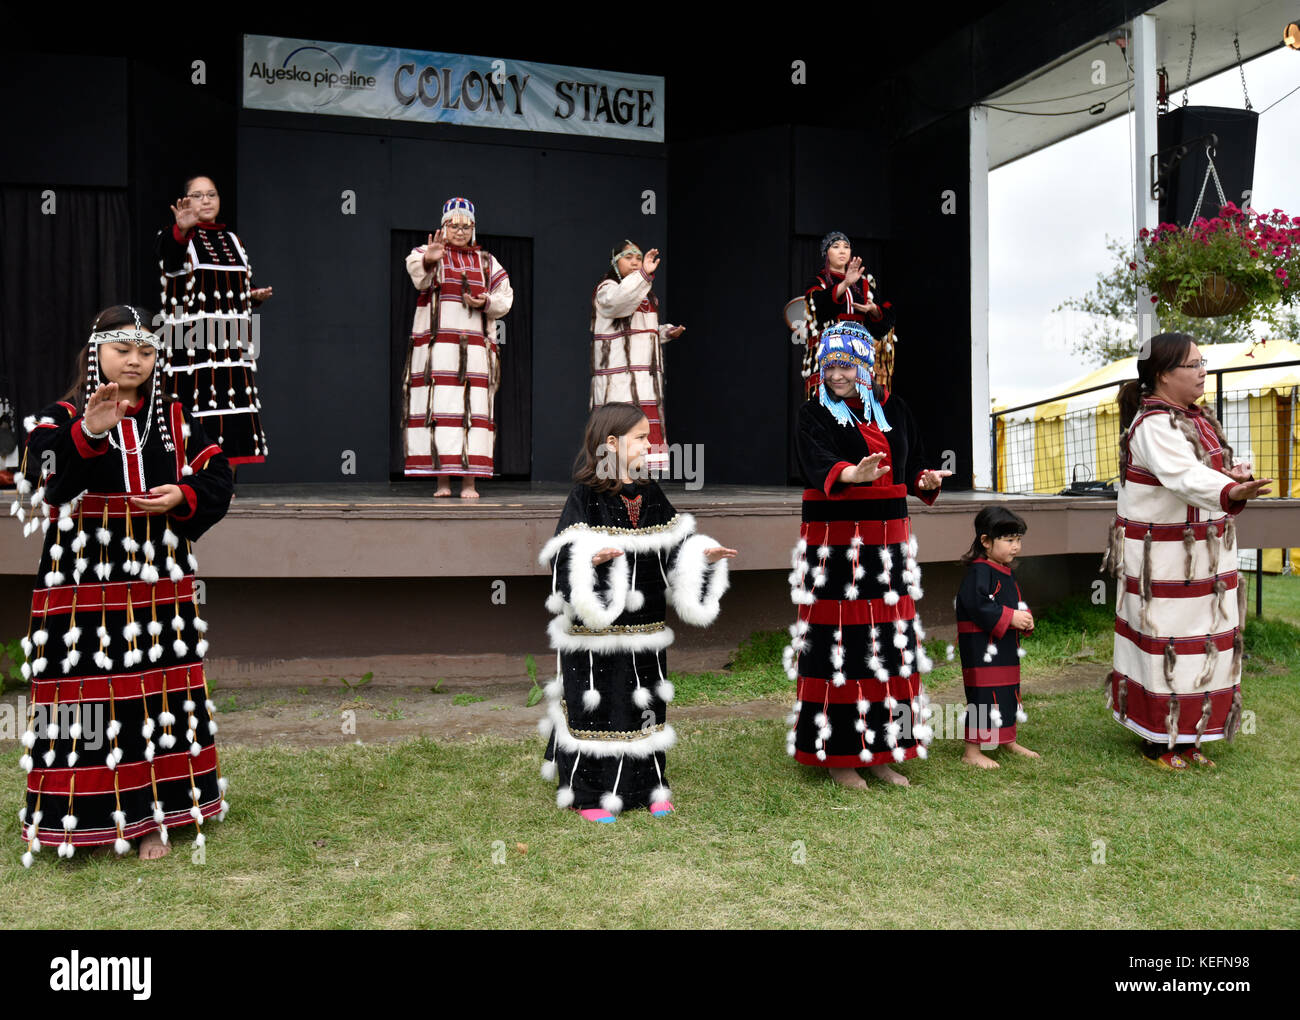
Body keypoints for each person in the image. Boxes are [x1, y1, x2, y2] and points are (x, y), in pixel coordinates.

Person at [12, 305, 233, 865]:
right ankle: (81, 815)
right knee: (83, 689)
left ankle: (152, 817)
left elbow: (217, 474)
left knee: (152, 690)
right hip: (82, 575)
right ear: (96, 353)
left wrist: (184, 495)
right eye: (122, 350)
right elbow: (43, 482)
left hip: (157, 574)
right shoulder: (57, 416)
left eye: (146, 351)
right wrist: (89, 432)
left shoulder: (173, 417)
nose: (135, 361)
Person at [537, 402, 736, 821]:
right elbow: (563, 553)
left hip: (645, 630)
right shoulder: (585, 496)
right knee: (598, 706)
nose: (651, 444)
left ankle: (649, 786)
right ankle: (589, 794)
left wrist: (702, 555)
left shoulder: (651, 494)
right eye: (642, 438)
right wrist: (586, 563)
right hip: (595, 637)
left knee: (645, 704)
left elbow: (676, 547)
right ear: (612, 444)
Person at [783, 322, 950, 788]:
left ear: (865, 366)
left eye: (845, 364)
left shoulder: (894, 409)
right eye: (829, 364)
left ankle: (881, 751)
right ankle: (839, 756)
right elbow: (815, 464)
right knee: (843, 646)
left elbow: (911, 461)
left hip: (889, 545)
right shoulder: (812, 414)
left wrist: (924, 481)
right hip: (837, 549)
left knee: (886, 644)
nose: (836, 373)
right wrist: (851, 474)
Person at [1101, 332, 1271, 770]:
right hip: (1165, 559)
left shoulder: (1194, 418)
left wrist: (1229, 474)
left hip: (1203, 556)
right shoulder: (1154, 424)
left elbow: (1196, 473)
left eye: (1202, 362)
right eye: (1193, 365)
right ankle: (1161, 741)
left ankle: (1192, 736)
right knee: (1167, 643)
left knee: (1206, 643)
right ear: (1162, 374)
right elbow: (1181, 476)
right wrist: (1230, 488)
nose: (1203, 372)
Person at [157, 175, 271, 476]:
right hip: (191, 343)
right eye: (197, 195)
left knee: (230, 410)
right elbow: (170, 261)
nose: (206, 200)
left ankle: (223, 483)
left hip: (230, 341)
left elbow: (236, 289)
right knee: (198, 410)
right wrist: (180, 230)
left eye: (211, 194)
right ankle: (193, 478)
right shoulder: (176, 237)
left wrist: (253, 296)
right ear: (185, 202)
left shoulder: (233, 240)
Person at [401, 198, 512, 496]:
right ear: (444, 226)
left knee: (472, 413)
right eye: (454, 225)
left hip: (474, 353)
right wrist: (430, 259)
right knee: (439, 410)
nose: (460, 231)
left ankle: (469, 482)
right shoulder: (429, 251)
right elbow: (418, 275)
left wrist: (485, 302)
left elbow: (505, 296)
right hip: (438, 351)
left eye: (466, 226)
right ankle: (442, 482)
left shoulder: (487, 261)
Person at [590, 241, 685, 473]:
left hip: (645, 379)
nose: (635, 262)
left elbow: (643, 331)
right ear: (615, 262)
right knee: (621, 426)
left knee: (644, 429)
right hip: (619, 378)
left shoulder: (646, 295)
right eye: (628, 258)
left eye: (638, 258)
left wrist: (665, 332)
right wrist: (643, 274)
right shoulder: (607, 289)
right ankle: (615, 478)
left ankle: (642, 481)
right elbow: (618, 304)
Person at [955, 507, 1039, 767]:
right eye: (1009, 540)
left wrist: (1023, 618)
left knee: (1007, 692)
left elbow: (1011, 602)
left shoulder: (1005, 570)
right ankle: (972, 751)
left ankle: (1006, 739)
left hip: (1003, 647)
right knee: (983, 696)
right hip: (982, 650)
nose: (1016, 546)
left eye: (1018, 540)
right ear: (985, 541)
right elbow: (976, 605)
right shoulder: (979, 572)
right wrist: (1010, 617)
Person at [801, 232, 893, 396]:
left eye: (846, 247)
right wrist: (845, 283)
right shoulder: (819, 282)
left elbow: (885, 321)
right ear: (826, 254)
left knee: (860, 405)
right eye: (835, 247)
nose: (842, 251)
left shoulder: (864, 284)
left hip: (859, 354)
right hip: (830, 354)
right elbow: (817, 309)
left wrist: (873, 310)